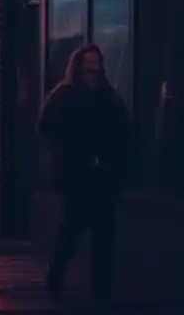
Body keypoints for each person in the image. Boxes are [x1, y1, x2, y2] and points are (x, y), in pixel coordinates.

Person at [38, 43, 132, 304]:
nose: (93, 68)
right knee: (71, 228)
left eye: (96, 63)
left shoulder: (108, 97)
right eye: (89, 63)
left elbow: (123, 131)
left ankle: (101, 290)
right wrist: (67, 154)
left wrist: (117, 164)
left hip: (103, 176)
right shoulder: (65, 95)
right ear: (79, 66)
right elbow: (46, 128)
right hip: (76, 175)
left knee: (104, 233)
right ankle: (55, 274)